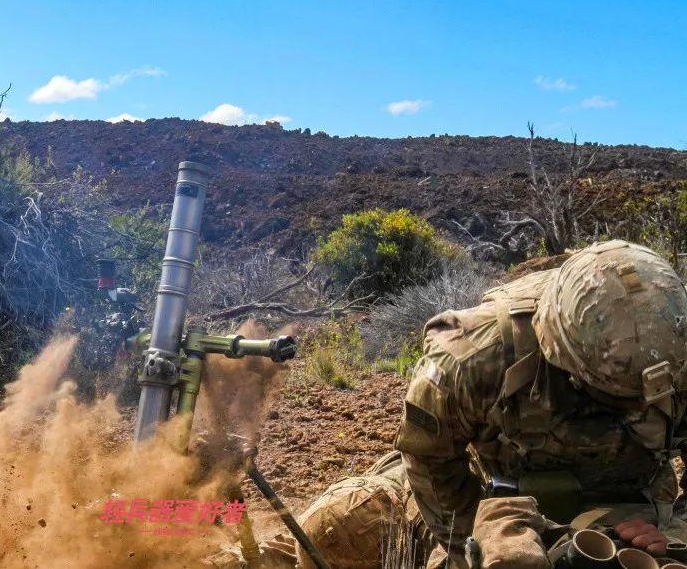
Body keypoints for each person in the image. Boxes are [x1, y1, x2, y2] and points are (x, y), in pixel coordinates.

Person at [213, 240, 687, 568]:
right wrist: (469, 545)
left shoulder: (673, 347)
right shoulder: (475, 354)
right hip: (483, 485)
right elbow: (431, 459)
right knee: (333, 529)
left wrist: (671, 532)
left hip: (625, 502)